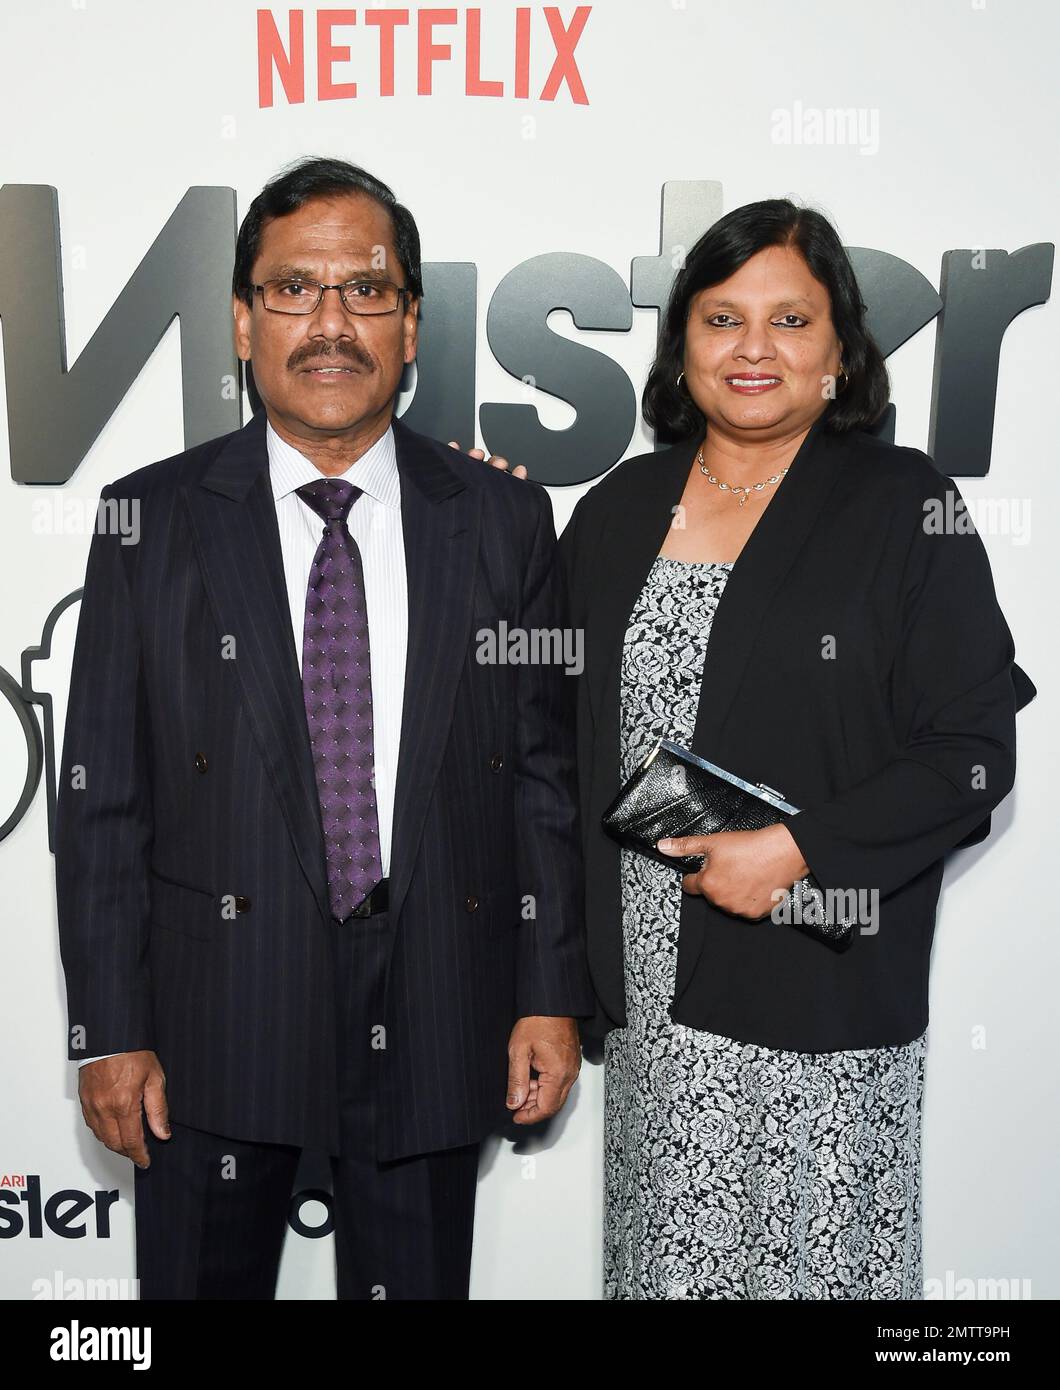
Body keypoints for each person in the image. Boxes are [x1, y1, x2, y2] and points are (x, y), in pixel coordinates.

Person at [54, 155, 592, 1301]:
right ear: (243, 321)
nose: (332, 324)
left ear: (411, 324)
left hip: (440, 1002)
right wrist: (107, 1028)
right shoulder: (147, 520)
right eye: (295, 290)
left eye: (367, 290)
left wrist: (548, 993)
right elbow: (102, 803)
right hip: (212, 1021)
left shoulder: (501, 518)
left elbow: (541, 776)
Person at [549, 198, 1034, 1299]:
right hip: (651, 1011)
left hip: (818, 982)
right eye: (722, 319)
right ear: (682, 346)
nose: (753, 348)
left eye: (789, 320)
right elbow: (550, 743)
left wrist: (801, 850)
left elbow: (970, 751)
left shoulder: (903, 502)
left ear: (838, 351)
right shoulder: (617, 510)